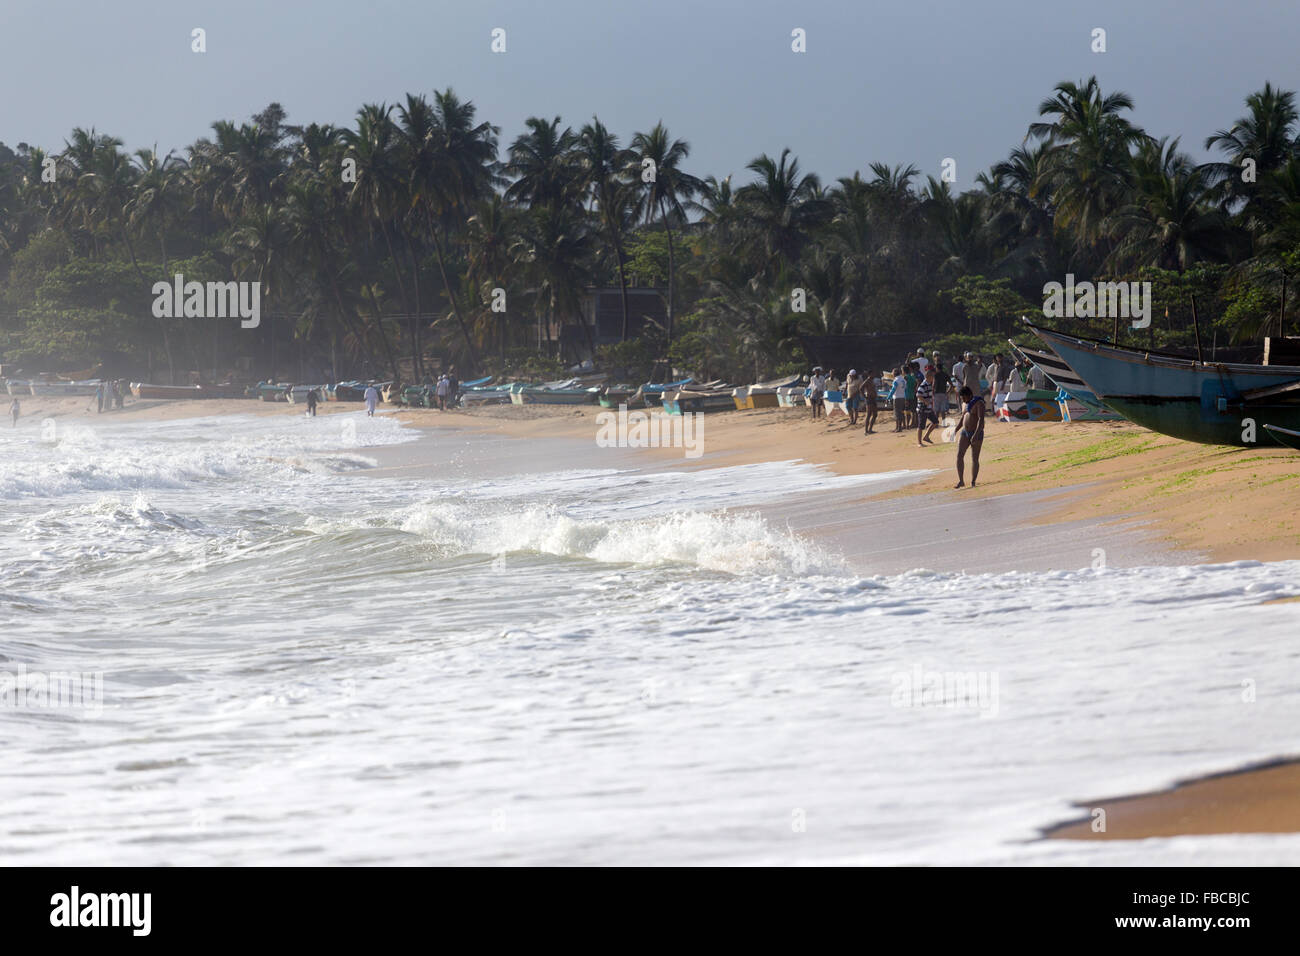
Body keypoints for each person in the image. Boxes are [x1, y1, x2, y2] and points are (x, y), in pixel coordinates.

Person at [955, 385, 985, 489]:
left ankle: (973, 481)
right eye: (962, 398)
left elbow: (981, 420)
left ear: (970, 395)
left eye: (964, 398)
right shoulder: (965, 404)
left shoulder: (979, 403)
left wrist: (976, 434)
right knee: (959, 455)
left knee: (974, 458)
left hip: (976, 433)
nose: (963, 400)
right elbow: (962, 418)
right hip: (965, 432)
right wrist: (955, 430)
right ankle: (961, 481)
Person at [915, 365, 939, 446]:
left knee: (935, 422)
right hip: (922, 408)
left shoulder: (929, 384)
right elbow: (918, 394)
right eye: (933, 377)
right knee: (921, 426)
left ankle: (926, 437)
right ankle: (919, 443)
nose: (933, 379)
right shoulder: (924, 384)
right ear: (929, 376)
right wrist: (925, 401)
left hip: (928, 408)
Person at [886, 367, 905, 431]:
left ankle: (898, 428)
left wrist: (888, 397)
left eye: (893, 372)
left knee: (897, 413)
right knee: (901, 412)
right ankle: (898, 427)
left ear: (895, 373)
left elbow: (893, 390)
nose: (892, 374)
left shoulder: (896, 380)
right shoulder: (903, 379)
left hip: (897, 398)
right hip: (903, 397)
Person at [902, 362, 918, 429]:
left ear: (903, 371)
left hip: (906, 395)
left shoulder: (905, 377)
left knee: (907, 411)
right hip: (912, 395)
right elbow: (915, 384)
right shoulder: (912, 376)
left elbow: (902, 386)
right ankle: (913, 423)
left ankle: (907, 425)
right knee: (913, 410)